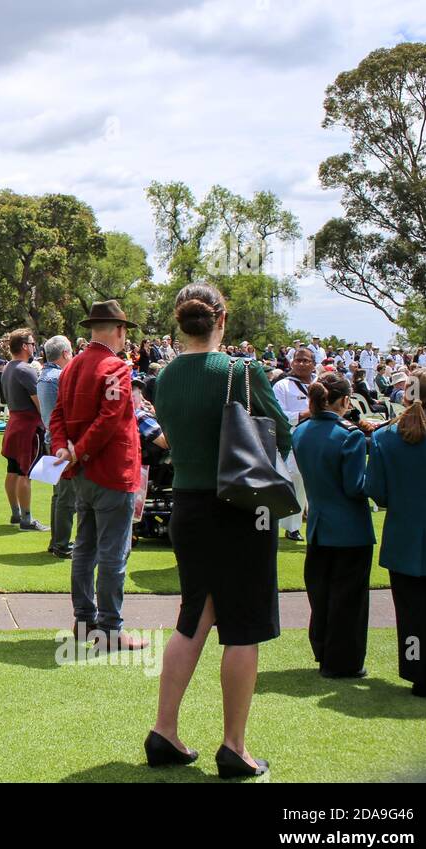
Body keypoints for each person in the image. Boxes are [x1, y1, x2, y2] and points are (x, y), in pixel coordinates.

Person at [147, 283, 290, 779]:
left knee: (195, 616)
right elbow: (280, 433)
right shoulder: (243, 371)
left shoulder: (163, 378)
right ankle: (234, 745)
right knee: (244, 624)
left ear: (180, 322)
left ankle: (164, 729)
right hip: (241, 505)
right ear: (221, 319)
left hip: (188, 507)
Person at [49, 300, 146, 652]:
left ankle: (84, 621)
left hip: (81, 473)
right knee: (112, 553)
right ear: (119, 331)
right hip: (110, 470)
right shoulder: (116, 366)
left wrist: (66, 448)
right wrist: (79, 449)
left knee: (85, 549)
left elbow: (58, 414)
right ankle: (109, 628)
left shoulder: (72, 365)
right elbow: (110, 418)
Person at [365, 371, 426, 701]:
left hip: (402, 538)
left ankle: (415, 672)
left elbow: (377, 492)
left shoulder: (383, 438)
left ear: (405, 396)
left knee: (411, 613)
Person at [291, 372, 374, 679]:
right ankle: (343, 662)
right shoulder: (349, 435)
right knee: (348, 599)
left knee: (322, 595)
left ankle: (324, 650)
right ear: (344, 401)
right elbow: (355, 486)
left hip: (318, 526)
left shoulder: (301, 431)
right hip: (349, 529)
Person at [0, 328, 48, 532]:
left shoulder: (8, 368)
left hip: (14, 423)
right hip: (27, 426)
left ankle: (16, 512)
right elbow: (40, 403)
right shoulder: (25, 369)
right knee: (24, 473)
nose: (34, 346)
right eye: (31, 342)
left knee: (13, 470)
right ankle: (26, 519)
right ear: (23, 346)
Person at [37, 335, 75, 559]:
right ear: (65, 354)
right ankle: (61, 544)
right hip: (61, 441)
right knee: (66, 497)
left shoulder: (45, 376)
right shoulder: (59, 377)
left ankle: (56, 541)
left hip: (51, 438)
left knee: (58, 494)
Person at [273, 346, 315, 542]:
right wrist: (305, 414)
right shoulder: (283, 386)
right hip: (294, 439)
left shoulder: (320, 384)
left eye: (306, 360)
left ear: (314, 364)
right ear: (292, 362)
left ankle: (316, 523)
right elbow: (279, 414)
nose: (302, 363)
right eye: (298, 360)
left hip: (319, 438)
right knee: (296, 479)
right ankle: (292, 527)